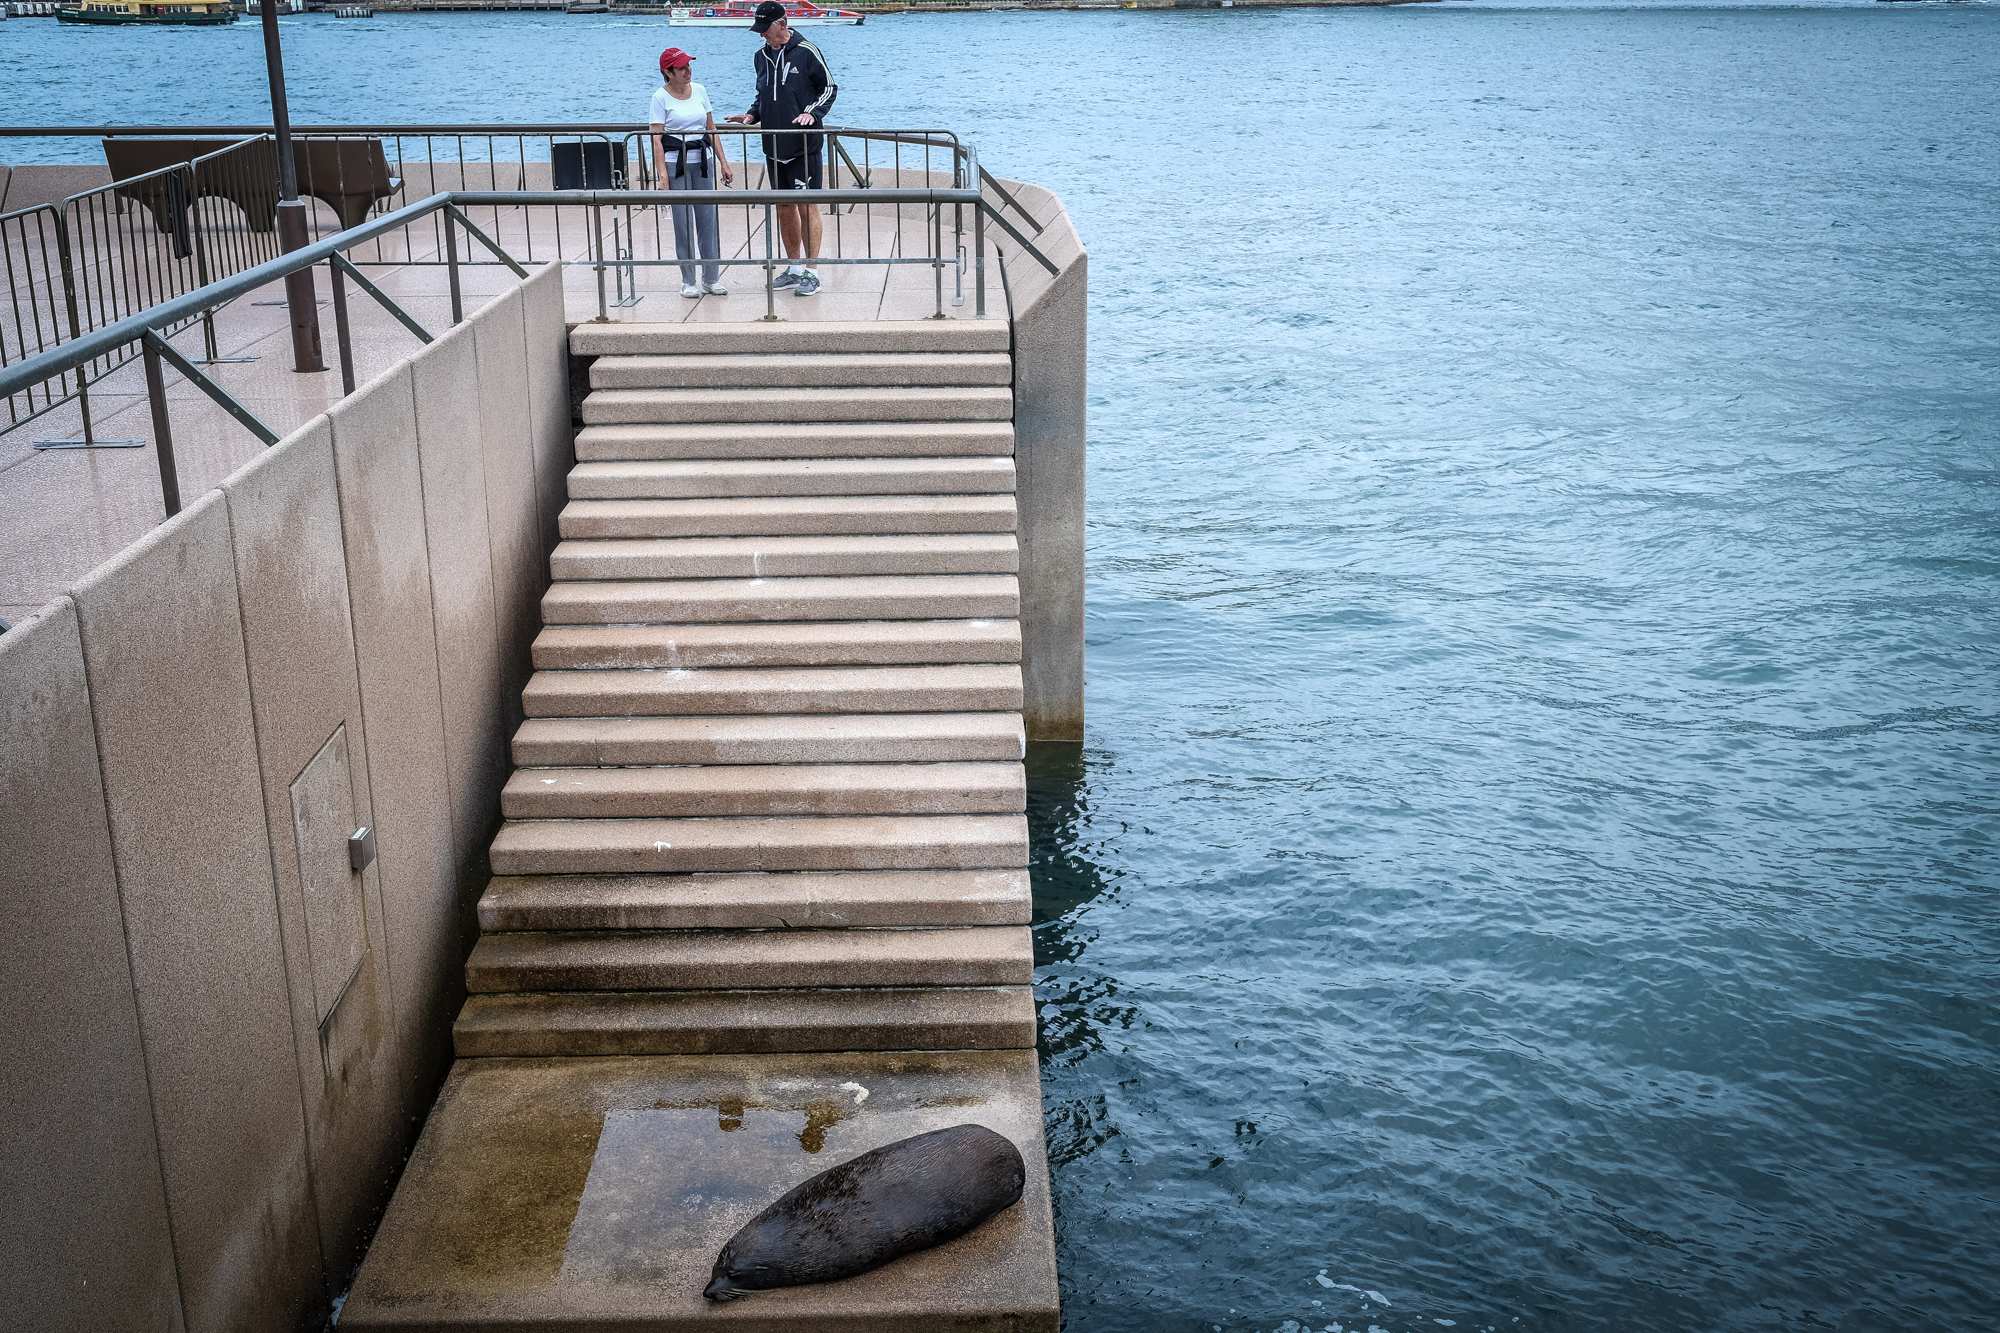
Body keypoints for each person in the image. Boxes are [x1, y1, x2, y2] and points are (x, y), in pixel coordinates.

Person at [724, 0, 836, 298]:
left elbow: (829, 88)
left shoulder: (807, 51)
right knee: (784, 206)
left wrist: (812, 113)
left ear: (782, 24)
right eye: (759, 30)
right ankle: (794, 267)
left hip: (803, 146)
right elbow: (763, 94)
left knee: (807, 205)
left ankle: (812, 271)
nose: (762, 34)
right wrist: (751, 115)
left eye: (766, 29)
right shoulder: (760, 57)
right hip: (773, 146)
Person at [649, 46, 735, 299]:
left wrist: (723, 162)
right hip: (675, 164)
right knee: (683, 222)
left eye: (688, 66)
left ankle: (711, 278)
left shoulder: (700, 90)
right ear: (668, 72)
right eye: (682, 68)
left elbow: (711, 128)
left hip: (702, 162)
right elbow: (656, 139)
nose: (688, 71)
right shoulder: (660, 98)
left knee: (708, 220)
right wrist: (662, 175)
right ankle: (688, 280)